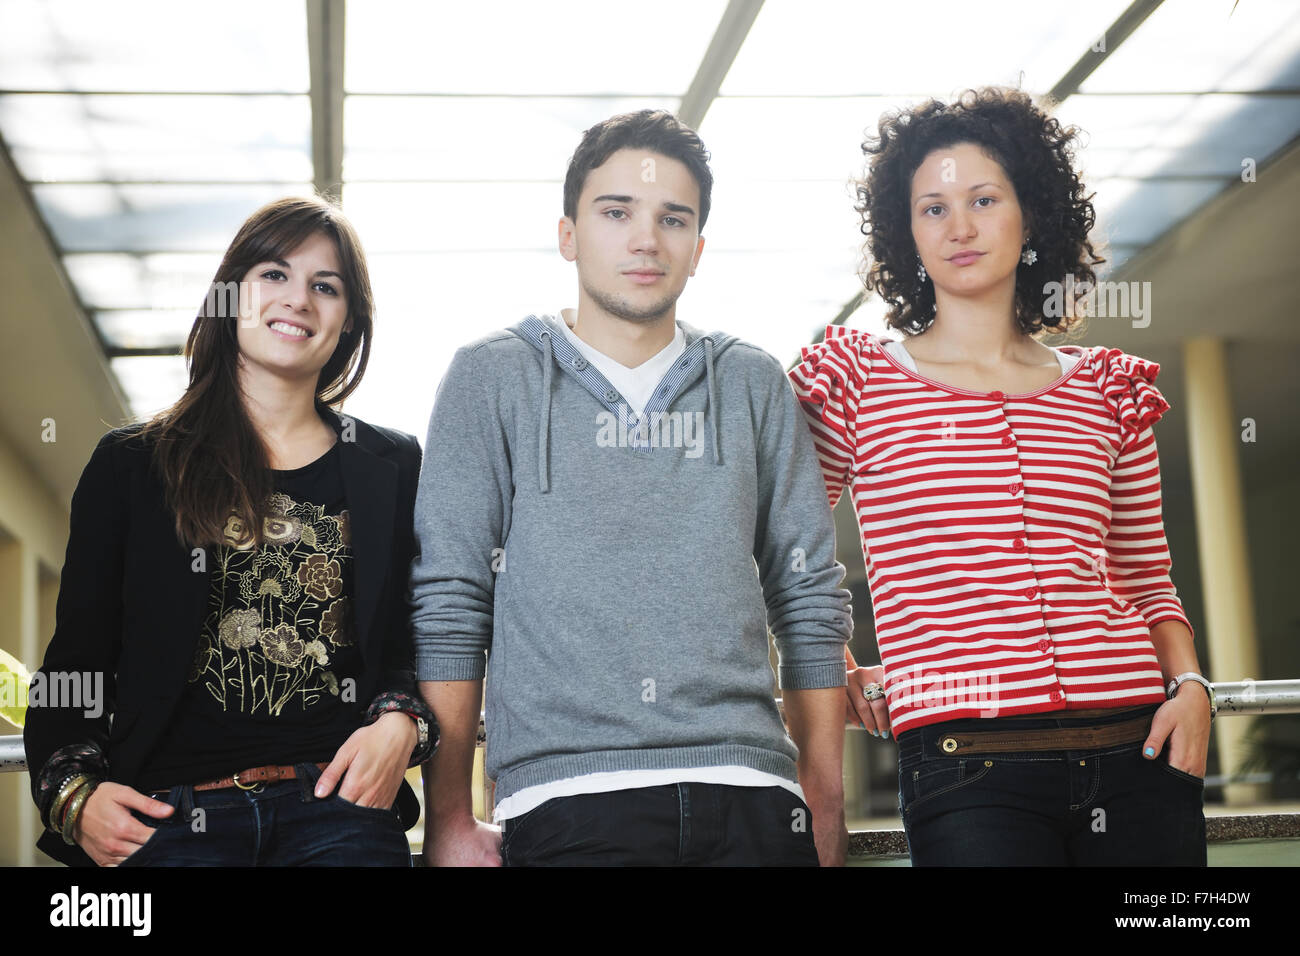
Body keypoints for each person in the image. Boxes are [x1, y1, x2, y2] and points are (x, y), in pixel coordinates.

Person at [412, 109, 853, 867]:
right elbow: (451, 598)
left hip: (753, 794)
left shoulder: (750, 381)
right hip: (566, 804)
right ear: (568, 234)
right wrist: (450, 813)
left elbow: (808, 594)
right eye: (616, 212)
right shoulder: (491, 377)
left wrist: (823, 796)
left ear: (698, 249)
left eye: (672, 219)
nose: (646, 240)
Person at [790, 88, 1210, 866]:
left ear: (1031, 215)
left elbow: (1150, 576)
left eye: (983, 199)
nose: (960, 227)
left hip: (1141, 749)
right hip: (964, 765)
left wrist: (1192, 690)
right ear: (905, 231)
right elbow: (785, 560)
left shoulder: (1109, 389)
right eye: (933, 208)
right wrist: (842, 669)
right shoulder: (854, 381)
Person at [24, 196, 437, 866]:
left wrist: (402, 721)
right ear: (229, 296)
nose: (298, 299)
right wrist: (72, 794)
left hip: (341, 808)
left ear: (349, 321)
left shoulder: (392, 464)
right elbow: (78, 657)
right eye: (274, 275)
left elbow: (418, 639)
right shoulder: (133, 464)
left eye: (325, 286)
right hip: (166, 811)